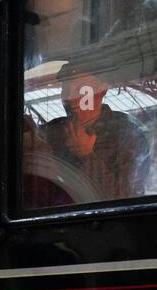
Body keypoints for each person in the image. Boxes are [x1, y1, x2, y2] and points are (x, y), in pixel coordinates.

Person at [35, 68, 151, 203]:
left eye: (81, 90)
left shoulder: (127, 134)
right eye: (65, 90)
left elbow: (127, 198)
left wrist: (87, 155)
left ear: (102, 90)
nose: (69, 99)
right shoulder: (51, 132)